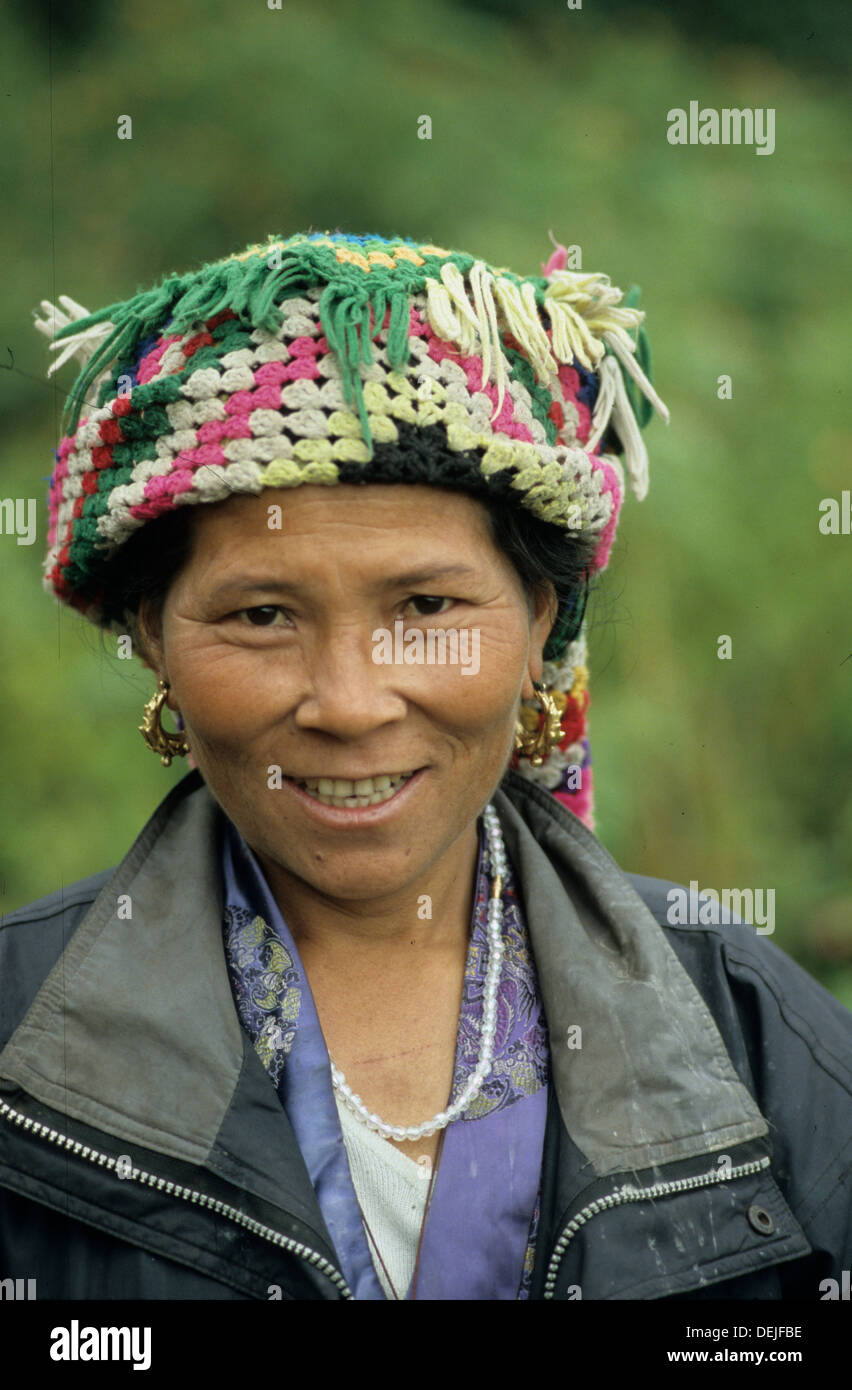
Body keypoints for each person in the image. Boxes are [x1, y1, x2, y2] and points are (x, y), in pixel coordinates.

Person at [0, 229, 848, 1301]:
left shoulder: (751, 1032)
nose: (351, 702)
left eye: (428, 607)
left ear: (541, 622)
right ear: (154, 639)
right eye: (262, 615)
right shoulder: (17, 1046)